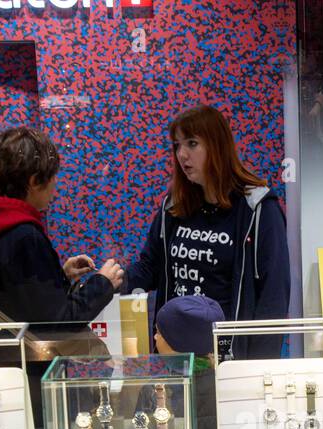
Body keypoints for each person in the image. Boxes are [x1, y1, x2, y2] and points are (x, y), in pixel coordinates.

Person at [0, 126, 125, 429]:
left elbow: (11, 296)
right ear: (33, 181)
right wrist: (103, 283)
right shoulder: (24, 235)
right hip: (35, 390)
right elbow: (57, 324)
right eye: (52, 178)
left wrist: (58, 275)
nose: (55, 187)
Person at [123, 105, 290, 362]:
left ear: (217, 146)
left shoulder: (258, 209)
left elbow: (273, 297)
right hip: (175, 356)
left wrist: (258, 369)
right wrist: (108, 282)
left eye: (192, 143)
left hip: (227, 359)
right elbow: (150, 267)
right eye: (177, 145)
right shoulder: (174, 206)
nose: (182, 154)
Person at [150, 295, 223, 429]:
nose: (155, 337)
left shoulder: (159, 389)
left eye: (159, 332)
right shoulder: (224, 382)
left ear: (177, 343)